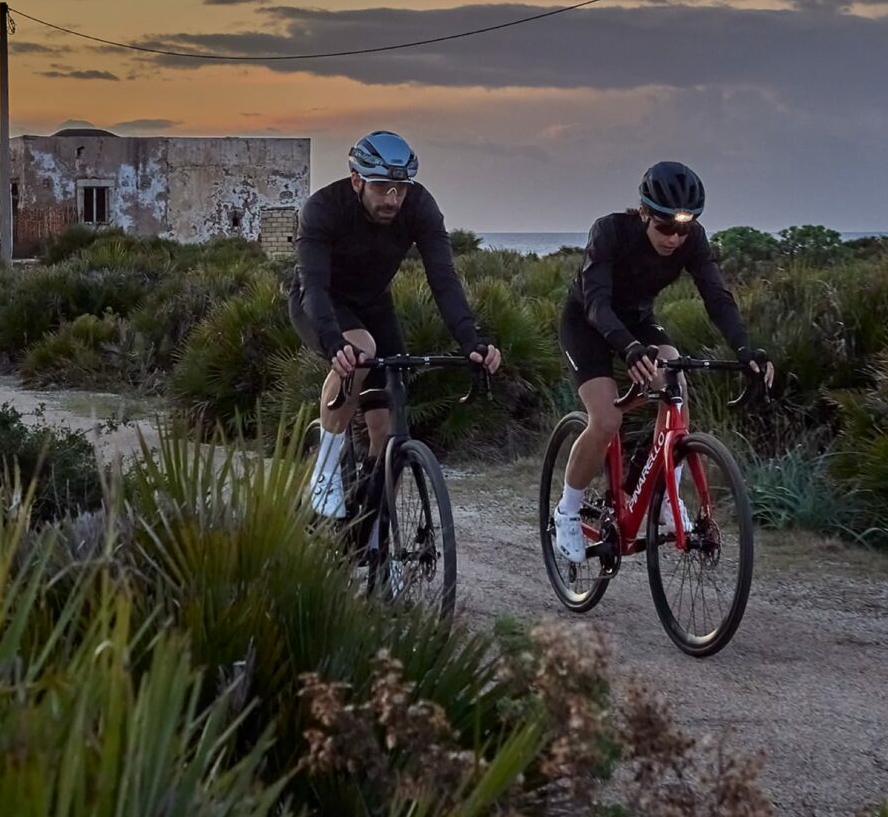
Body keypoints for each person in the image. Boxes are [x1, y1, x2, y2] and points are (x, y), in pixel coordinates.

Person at [551, 160, 772, 561]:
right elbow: (597, 303)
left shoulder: (692, 240)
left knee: (675, 386)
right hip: (588, 324)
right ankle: (567, 510)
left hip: (637, 321)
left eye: (684, 228)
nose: (675, 237)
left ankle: (663, 493)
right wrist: (628, 348)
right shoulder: (611, 231)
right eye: (666, 227)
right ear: (644, 212)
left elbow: (717, 297)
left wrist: (745, 349)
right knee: (606, 419)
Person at [293, 131, 503, 515]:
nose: (392, 199)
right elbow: (314, 286)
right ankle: (323, 472)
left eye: (400, 189)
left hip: (375, 304)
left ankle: (373, 525)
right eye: (382, 188)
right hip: (321, 302)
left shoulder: (420, 207)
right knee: (360, 350)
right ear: (357, 180)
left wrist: (470, 339)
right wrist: (332, 341)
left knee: (388, 429)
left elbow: (443, 279)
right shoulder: (323, 208)